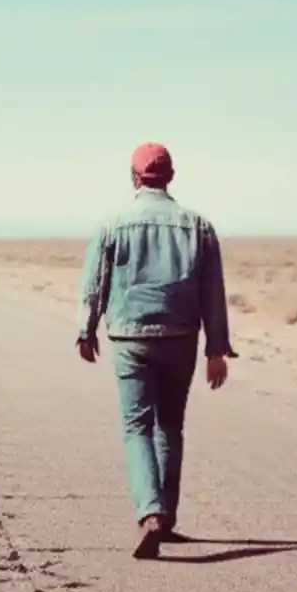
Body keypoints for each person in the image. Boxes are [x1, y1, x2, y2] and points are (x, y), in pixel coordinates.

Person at [75, 142, 236, 560]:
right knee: (169, 427)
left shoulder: (113, 224)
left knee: (136, 427)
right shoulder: (197, 226)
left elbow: (96, 282)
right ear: (170, 177)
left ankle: (151, 514)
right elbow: (212, 293)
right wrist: (216, 349)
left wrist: (85, 330)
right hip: (181, 338)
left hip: (130, 338)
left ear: (133, 177)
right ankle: (165, 516)